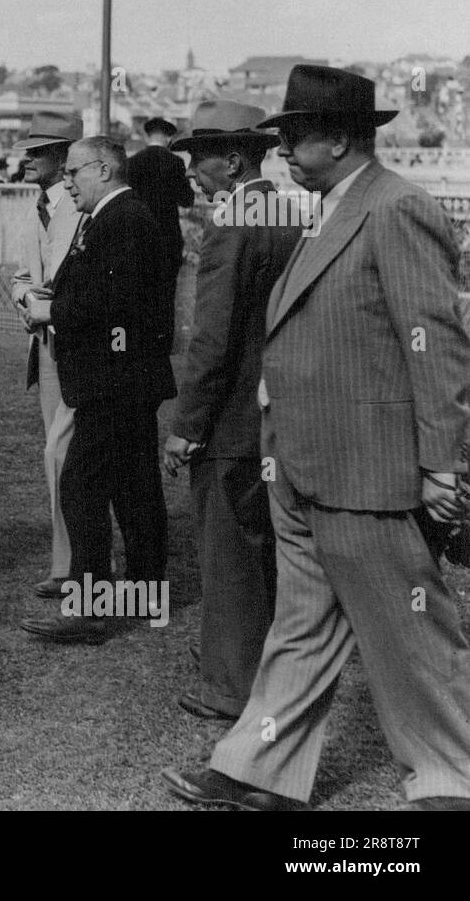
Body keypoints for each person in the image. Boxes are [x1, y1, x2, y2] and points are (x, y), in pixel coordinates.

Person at [164, 65, 470, 811]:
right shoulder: (327, 210)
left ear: (339, 139)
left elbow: (435, 343)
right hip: (302, 466)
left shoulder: (396, 207)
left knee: (412, 630)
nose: (285, 150)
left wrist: (441, 467)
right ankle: (261, 770)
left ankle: (451, 777)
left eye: (295, 136)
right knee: (301, 632)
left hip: (372, 469)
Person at [161, 101, 298, 720]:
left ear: (234, 160)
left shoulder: (231, 221)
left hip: (230, 419)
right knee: (262, 546)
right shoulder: (287, 214)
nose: (192, 170)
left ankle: (230, 685)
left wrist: (187, 427)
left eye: (199, 157)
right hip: (275, 413)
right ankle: (256, 667)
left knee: (227, 552)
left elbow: (212, 339)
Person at [24, 136, 176, 644]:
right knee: (135, 487)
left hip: (113, 381)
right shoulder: (119, 217)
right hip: (126, 379)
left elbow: (116, 302)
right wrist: (60, 294)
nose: (66, 182)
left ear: (105, 170)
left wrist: (53, 311)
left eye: (73, 173)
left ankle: (89, 609)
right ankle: (148, 591)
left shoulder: (122, 219)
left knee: (82, 485)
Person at [6, 113, 84, 631]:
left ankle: (85, 568)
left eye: (38, 151)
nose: (27, 158)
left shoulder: (81, 209)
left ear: (64, 156)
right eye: (27, 151)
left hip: (80, 347)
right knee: (56, 456)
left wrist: (50, 305)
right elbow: (19, 276)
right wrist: (26, 298)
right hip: (48, 349)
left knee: (64, 454)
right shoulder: (32, 209)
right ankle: (66, 566)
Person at [127, 116, 194, 349]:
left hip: (138, 236)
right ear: (168, 137)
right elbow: (187, 200)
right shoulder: (175, 163)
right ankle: (163, 342)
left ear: (147, 136)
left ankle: (139, 340)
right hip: (168, 238)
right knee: (166, 293)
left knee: (138, 290)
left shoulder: (133, 162)